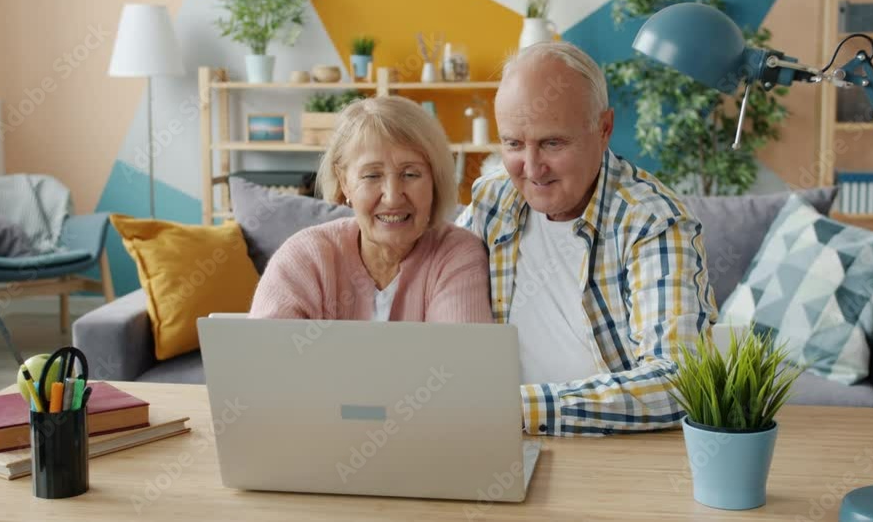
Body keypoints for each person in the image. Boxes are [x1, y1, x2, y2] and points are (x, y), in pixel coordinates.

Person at [457, 41, 718, 436]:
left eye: (552, 143)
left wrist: (515, 407)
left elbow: (679, 382)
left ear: (604, 128)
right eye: (513, 143)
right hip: (492, 439)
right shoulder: (491, 200)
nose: (531, 169)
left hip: (610, 452)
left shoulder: (652, 220)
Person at [250, 95, 492, 323]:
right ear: (344, 182)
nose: (393, 196)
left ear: (434, 181)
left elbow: (459, 362)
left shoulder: (457, 255)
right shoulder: (305, 257)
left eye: (410, 174)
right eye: (372, 175)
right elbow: (263, 359)